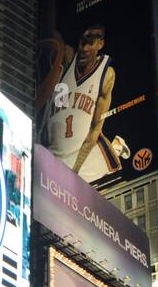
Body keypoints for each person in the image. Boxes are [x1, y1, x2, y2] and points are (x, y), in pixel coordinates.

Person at [37, 24, 125, 182]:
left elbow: (95, 130)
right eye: (82, 42)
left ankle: (117, 146)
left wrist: (75, 171)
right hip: (56, 148)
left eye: (90, 43)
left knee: (102, 164)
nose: (84, 48)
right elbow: (52, 36)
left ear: (100, 44)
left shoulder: (106, 74)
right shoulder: (67, 59)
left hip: (82, 147)